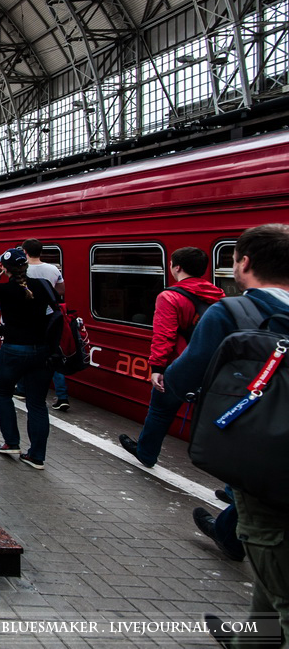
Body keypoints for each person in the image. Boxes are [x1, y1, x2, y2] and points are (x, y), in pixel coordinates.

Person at [165, 224, 289, 647]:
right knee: (270, 575)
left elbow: (185, 377)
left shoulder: (232, 312)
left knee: (276, 565)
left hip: (264, 464)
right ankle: (248, 641)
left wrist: (168, 380)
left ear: (246, 263)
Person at [119, 246, 223, 468]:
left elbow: (164, 335)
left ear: (177, 267)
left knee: (160, 410)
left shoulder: (170, 296)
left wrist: (157, 367)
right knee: (215, 420)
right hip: (211, 367)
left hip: (180, 366)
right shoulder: (218, 295)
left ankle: (146, 453)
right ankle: (229, 482)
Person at [0, 247, 60, 470]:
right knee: (37, 403)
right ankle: (37, 456)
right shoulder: (42, 286)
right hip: (42, 350)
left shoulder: (4, 291)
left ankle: (11, 442)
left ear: (4, 269)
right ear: (25, 265)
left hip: (14, 349)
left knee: (3, 392)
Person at [20, 238, 71, 411]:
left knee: (24, 350)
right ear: (40, 251)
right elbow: (62, 290)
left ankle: (21, 388)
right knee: (53, 353)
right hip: (50, 317)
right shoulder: (53, 269)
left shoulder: (22, 269)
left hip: (27, 318)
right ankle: (62, 396)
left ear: (25, 251)